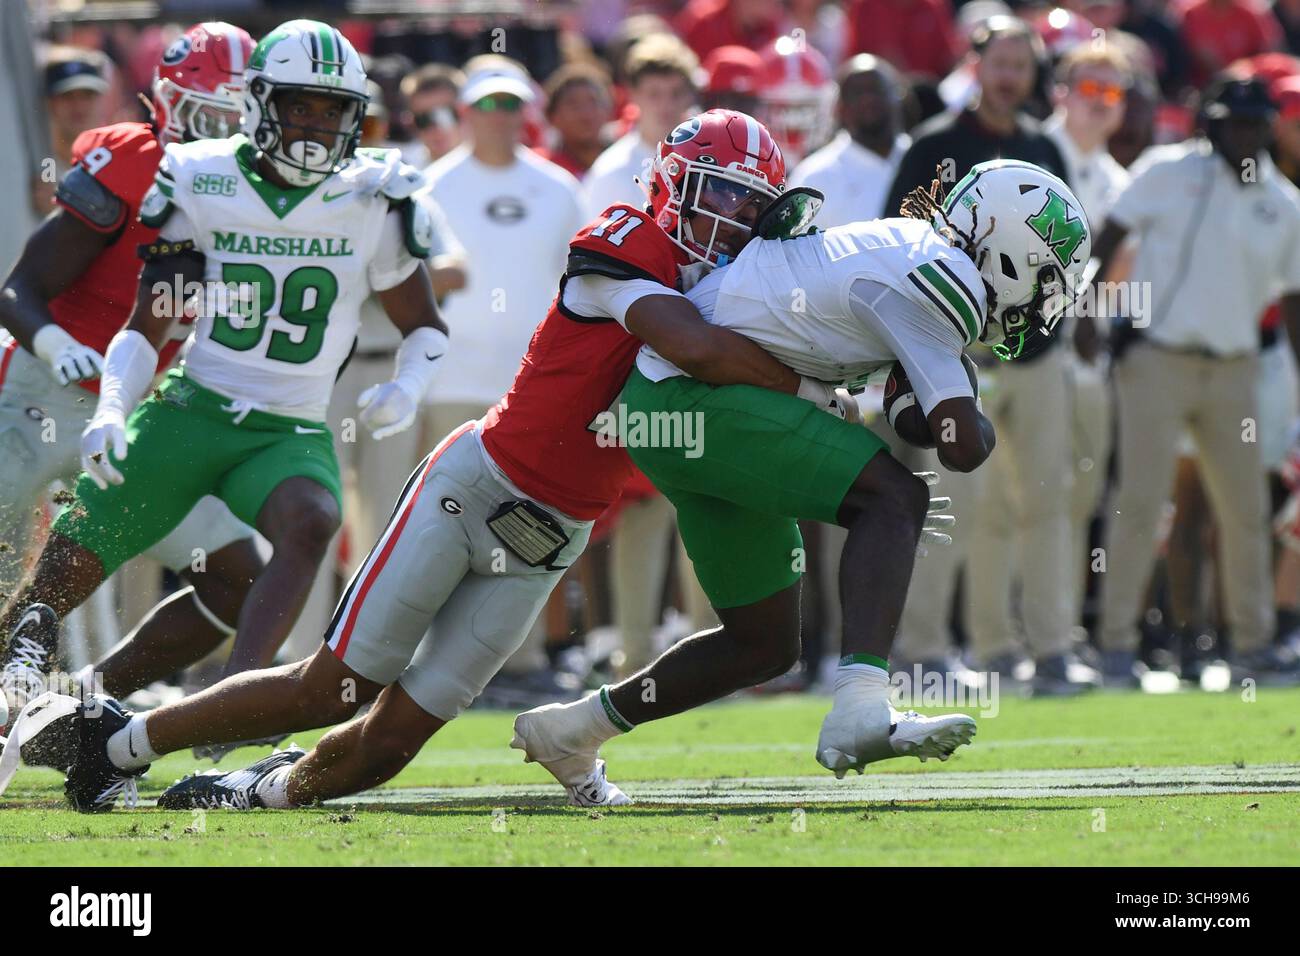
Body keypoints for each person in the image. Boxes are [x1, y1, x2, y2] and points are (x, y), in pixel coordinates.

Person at [40, 111, 810, 814]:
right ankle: (120, 741)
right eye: (723, 195)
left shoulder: (726, 286)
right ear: (676, 184)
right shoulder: (624, 238)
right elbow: (695, 347)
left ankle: (260, 789)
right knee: (333, 688)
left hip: (553, 538)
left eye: (751, 207)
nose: (735, 219)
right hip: (476, 487)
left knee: (387, 746)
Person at [513, 159, 1092, 800]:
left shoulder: (916, 251)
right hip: (690, 396)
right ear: (1008, 251)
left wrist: (932, 393)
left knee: (762, 644)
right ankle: (862, 707)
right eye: (1045, 277)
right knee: (896, 499)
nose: (1044, 301)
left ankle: (573, 730)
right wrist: (964, 401)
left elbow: (915, 419)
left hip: (670, 404)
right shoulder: (944, 274)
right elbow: (960, 446)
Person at [0, 20, 449, 739]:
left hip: (274, 421)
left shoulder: (374, 193)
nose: (316, 125)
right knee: (65, 539)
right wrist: (108, 397)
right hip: (147, 401)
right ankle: (26, 654)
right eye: (299, 105)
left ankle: (192, 704)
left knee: (295, 533)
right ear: (262, 104)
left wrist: (409, 383)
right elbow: (147, 315)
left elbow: (424, 317)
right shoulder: (191, 174)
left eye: (333, 109)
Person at [0, 24, 263, 729]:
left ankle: (78, 702)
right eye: (210, 114)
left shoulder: (262, 194)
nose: (225, 132)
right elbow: (18, 288)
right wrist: (58, 347)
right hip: (41, 392)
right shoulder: (131, 160)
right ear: (169, 104)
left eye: (239, 114)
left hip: (143, 413)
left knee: (239, 576)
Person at [1093, 76, 1300, 686]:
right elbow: (1110, 237)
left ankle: (1252, 644)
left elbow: (1293, 303)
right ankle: (1115, 644)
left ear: (1269, 129)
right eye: (1233, 123)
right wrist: (1087, 315)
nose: (1244, 134)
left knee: (1243, 510)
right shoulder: (1167, 170)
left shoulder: (1285, 203)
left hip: (1235, 368)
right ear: (1210, 125)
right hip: (1156, 359)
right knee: (1138, 502)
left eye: (1255, 123)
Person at [583, 34, 698, 216]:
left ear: (691, 95)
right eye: (654, 94)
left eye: (676, 93)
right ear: (633, 94)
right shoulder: (611, 172)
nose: (666, 104)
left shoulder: (709, 161)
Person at [790, 54, 909, 227]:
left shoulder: (926, 159)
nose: (868, 100)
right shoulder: (812, 179)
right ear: (839, 108)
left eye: (877, 89)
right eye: (856, 93)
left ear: (898, 95)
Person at [536, 62, 614, 180]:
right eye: (573, 105)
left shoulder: (626, 163)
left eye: (593, 102)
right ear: (552, 116)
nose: (586, 114)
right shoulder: (542, 168)